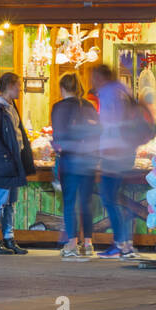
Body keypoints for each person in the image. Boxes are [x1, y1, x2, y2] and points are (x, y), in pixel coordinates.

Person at [90, 64, 148, 260]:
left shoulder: (107, 93)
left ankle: (121, 244)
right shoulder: (123, 89)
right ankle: (126, 243)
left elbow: (109, 124)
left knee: (109, 197)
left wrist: (103, 150)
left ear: (99, 77)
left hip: (113, 152)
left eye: (94, 77)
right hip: (127, 152)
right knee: (116, 197)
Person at [0, 73, 35, 255]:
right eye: (18, 86)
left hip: (12, 161)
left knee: (10, 203)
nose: (20, 89)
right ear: (10, 86)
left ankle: (9, 238)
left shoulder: (9, 106)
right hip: (1, 162)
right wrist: (5, 156)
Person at [51, 74, 100, 260]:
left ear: (62, 88)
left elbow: (58, 137)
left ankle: (71, 243)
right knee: (86, 202)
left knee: (70, 202)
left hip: (69, 160)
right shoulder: (89, 106)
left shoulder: (59, 107)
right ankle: (88, 243)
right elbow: (98, 133)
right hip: (89, 160)